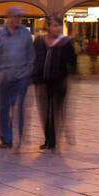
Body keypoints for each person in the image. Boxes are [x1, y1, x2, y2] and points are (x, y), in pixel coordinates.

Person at [0, 5, 35, 149]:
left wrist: (29, 72)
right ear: (9, 16)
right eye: (16, 16)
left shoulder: (25, 34)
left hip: (20, 76)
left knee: (18, 107)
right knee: (3, 108)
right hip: (4, 76)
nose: (19, 19)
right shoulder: (0, 33)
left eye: (20, 16)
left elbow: (31, 54)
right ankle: (6, 138)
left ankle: (17, 137)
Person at [33, 15, 77, 151]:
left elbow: (73, 61)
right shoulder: (40, 42)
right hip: (43, 80)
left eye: (59, 25)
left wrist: (70, 76)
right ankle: (49, 139)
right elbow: (34, 58)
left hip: (59, 81)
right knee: (45, 111)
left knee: (57, 110)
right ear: (48, 27)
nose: (57, 28)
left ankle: (55, 138)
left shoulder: (65, 43)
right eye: (54, 25)